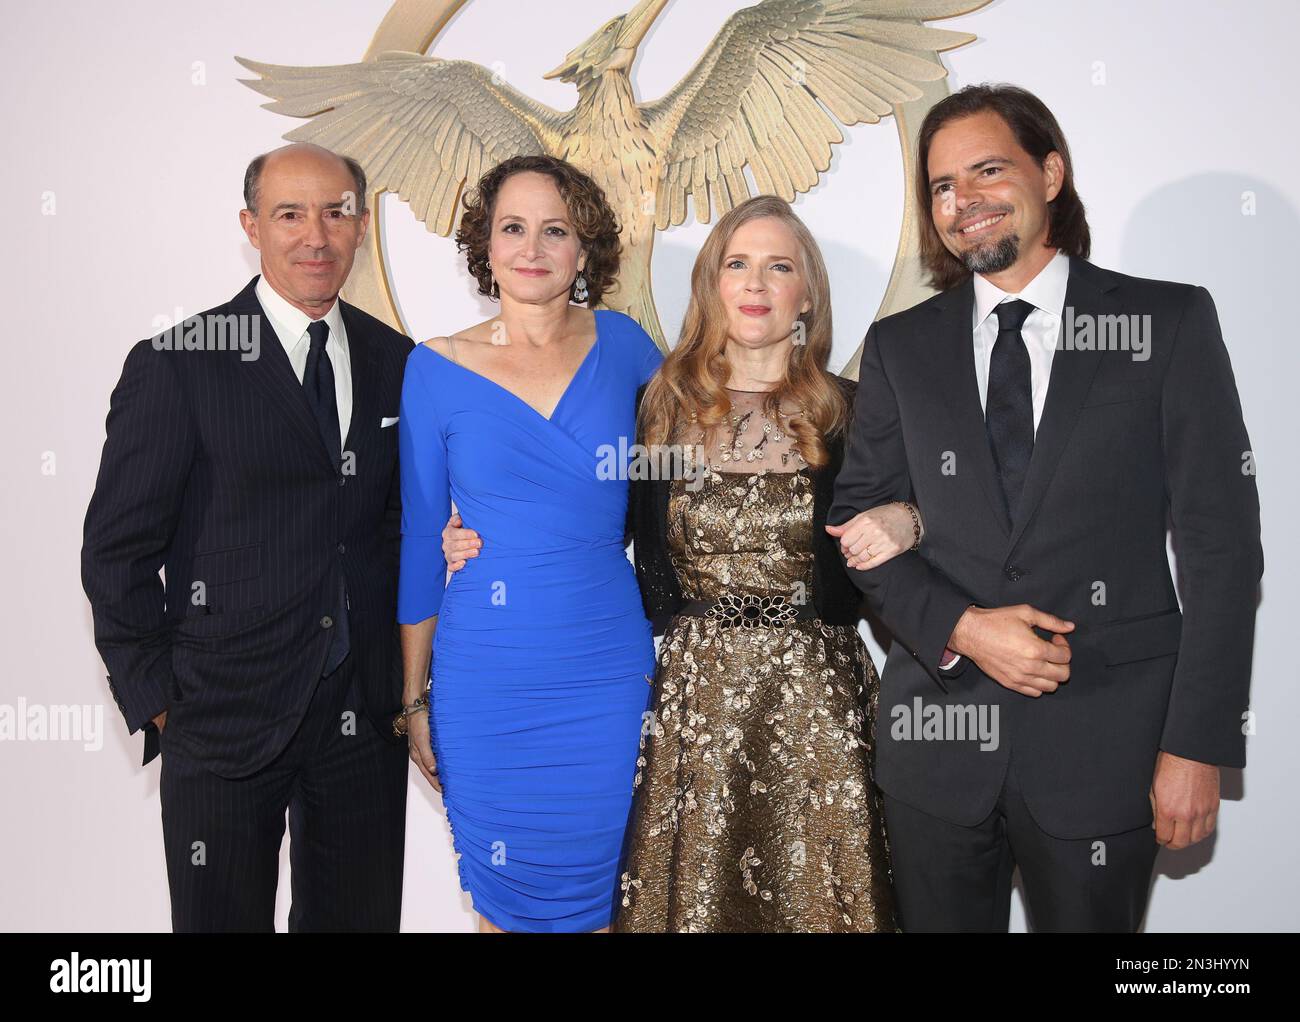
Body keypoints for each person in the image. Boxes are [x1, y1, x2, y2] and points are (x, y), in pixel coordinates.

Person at [829, 84, 1263, 932]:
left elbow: (1223, 550)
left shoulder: (1164, 321)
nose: (964, 202)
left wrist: (1198, 745)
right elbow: (861, 527)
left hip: (1110, 751)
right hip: (936, 758)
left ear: (1051, 171)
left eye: (988, 170)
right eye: (943, 187)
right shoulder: (901, 347)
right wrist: (963, 626)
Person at [446, 195, 918, 932]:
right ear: (711, 285)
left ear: (807, 294)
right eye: (737, 264)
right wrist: (472, 530)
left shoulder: (852, 413)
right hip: (693, 706)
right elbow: (579, 510)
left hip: (820, 709)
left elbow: (943, 518)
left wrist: (910, 519)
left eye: (778, 266)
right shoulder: (658, 410)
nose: (756, 284)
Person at [81, 142, 413, 931]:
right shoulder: (178, 363)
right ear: (250, 227)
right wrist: (163, 705)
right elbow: (116, 553)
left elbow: (397, 527)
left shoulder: (398, 361)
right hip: (221, 719)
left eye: (336, 213)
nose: (316, 236)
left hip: (361, 722)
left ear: (362, 227)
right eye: (290, 214)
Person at [397, 155, 662, 933]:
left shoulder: (628, 348)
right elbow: (420, 540)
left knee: (616, 896)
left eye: (557, 230)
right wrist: (414, 699)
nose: (533, 247)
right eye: (513, 227)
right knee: (503, 904)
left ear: (585, 250)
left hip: (607, 666)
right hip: (488, 674)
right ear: (486, 242)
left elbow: (680, 492)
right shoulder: (435, 367)